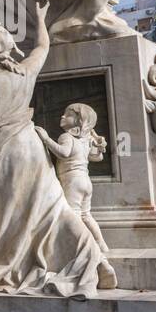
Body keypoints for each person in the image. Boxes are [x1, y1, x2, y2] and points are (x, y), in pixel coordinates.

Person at [0, 0, 116, 296]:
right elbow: (42, 46)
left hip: (2, 154)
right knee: (53, 208)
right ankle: (91, 257)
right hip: (33, 146)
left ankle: (9, 263)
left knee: (9, 219)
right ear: (10, 48)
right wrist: (40, 17)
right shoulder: (26, 71)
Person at [35, 104, 112, 260]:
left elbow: (64, 153)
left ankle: (81, 248)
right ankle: (101, 244)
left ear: (79, 121)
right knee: (86, 215)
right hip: (85, 181)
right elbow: (97, 157)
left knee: (73, 216)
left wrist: (46, 139)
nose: (62, 116)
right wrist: (98, 146)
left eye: (67, 115)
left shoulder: (66, 137)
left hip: (72, 180)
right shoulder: (85, 139)